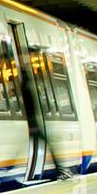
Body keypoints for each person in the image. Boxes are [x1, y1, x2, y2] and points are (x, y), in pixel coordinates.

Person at [18, 47, 74, 180]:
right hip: (33, 122)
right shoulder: (25, 80)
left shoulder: (24, 79)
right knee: (48, 143)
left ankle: (60, 169)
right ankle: (60, 170)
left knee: (28, 144)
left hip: (32, 122)